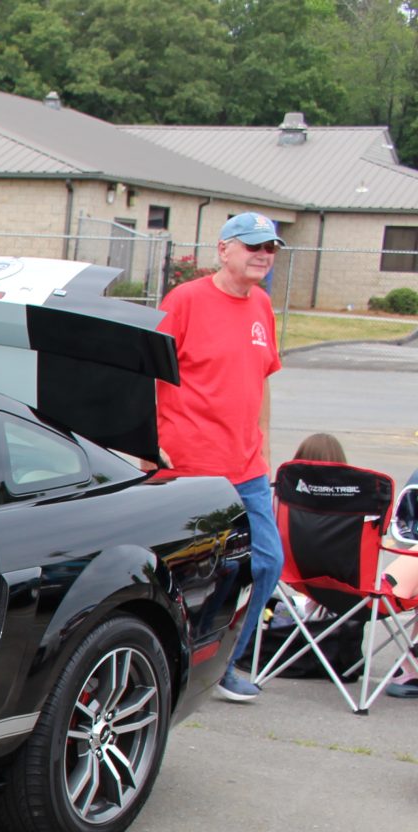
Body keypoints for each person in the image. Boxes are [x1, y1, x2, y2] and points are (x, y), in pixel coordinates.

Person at [155, 211, 286, 703]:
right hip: (189, 465)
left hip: (246, 466)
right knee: (190, 574)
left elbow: (262, 381)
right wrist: (146, 443)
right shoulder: (185, 301)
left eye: (270, 248)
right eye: (253, 245)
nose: (263, 255)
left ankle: (224, 662)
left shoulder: (263, 307)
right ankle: (178, 665)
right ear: (224, 249)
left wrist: (265, 444)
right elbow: (148, 372)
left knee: (267, 563)